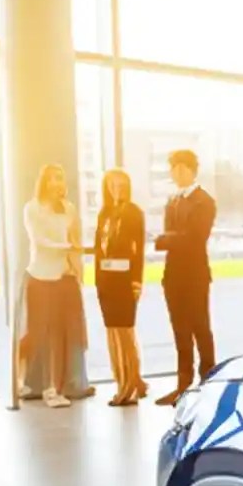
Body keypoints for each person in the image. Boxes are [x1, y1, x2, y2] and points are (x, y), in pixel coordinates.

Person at [19, 163, 88, 408]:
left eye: (60, 178)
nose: (57, 183)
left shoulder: (68, 209)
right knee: (36, 333)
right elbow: (40, 241)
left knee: (60, 335)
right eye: (52, 178)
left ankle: (54, 390)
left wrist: (76, 267)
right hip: (39, 277)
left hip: (62, 278)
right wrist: (69, 249)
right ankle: (18, 376)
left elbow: (74, 239)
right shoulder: (32, 208)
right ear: (44, 182)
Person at [154, 149, 217, 406]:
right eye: (174, 168)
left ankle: (208, 380)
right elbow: (175, 237)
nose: (178, 173)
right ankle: (183, 383)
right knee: (179, 331)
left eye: (183, 168)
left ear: (193, 170)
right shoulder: (173, 201)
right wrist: (169, 240)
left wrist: (166, 240)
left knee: (200, 327)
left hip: (195, 275)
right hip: (174, 276)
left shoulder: (204, 201)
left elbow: (195, 237)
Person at [93, 169, 149, 406]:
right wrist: (97, 279)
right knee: (113, 332)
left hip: (125, 280)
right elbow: (99, 249)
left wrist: (136, 281)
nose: (118, 188)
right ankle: (132, 380)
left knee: (125, 333)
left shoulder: (134, 213)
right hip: (106, 279)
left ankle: (128, 388)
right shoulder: (105, 213)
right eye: (113, 184)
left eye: (122, 184)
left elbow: (139, 249)